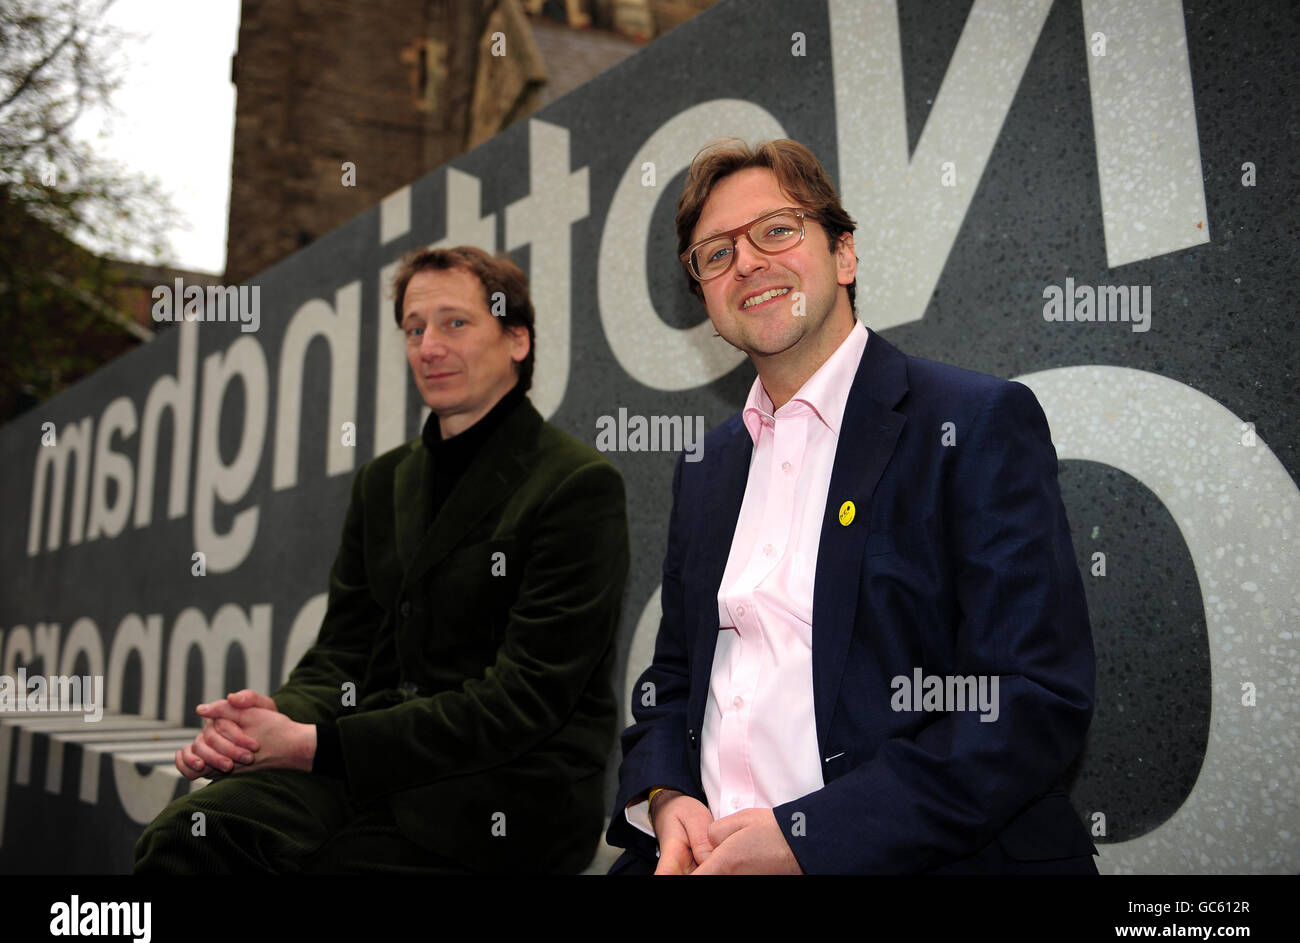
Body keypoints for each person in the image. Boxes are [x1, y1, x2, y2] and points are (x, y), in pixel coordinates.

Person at [607, 138, 1098, 874]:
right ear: (707, 303)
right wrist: (668, 795)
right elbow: (672, 677)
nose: (745, 263)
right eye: (715, 254)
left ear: (843, 256)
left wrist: (808, 838)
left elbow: (1028, 700)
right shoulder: (707, 467)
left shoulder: (975, 422)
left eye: (776, 230)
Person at [135, 246, 629, 873]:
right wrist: (267, 722)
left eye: (455, 323)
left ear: (517, 340)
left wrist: (315, 746)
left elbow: (522, 701)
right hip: (367, 771)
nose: (428, 347)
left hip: (505, 795)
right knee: (188, 837)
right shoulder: (384, 480)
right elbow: (342, 652)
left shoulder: (577, 483)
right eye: (414, 328)